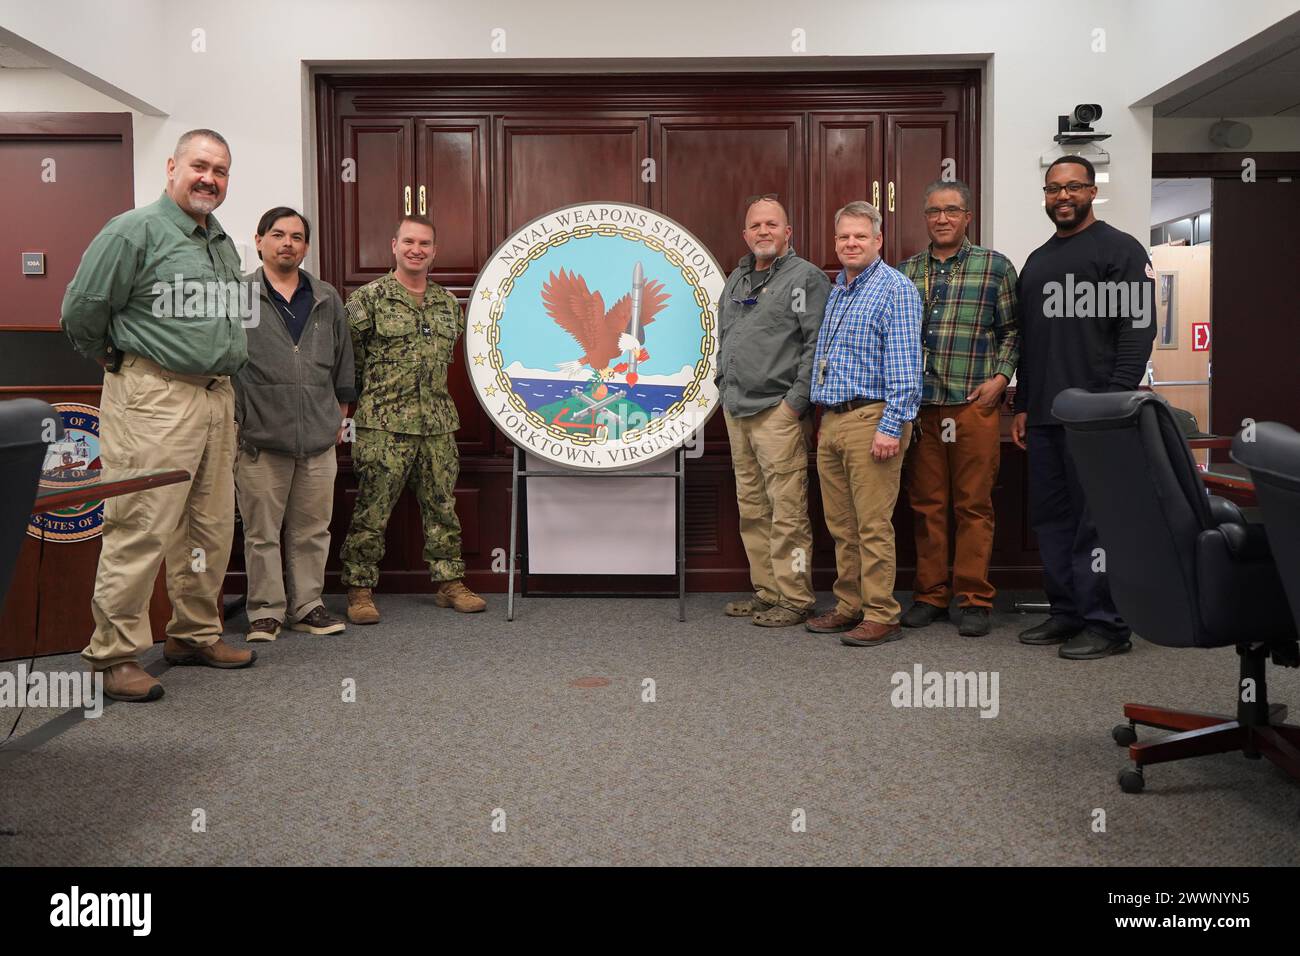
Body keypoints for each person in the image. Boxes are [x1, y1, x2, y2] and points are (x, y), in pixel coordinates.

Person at [61, 128, 255, 702]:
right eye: (200, 166)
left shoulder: (217, 239)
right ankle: (115, 654)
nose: (209, 179)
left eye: (220, 171)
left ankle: (193, 633)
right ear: (172, 166)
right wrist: (120, 360)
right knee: (141, 524)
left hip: (217, 397)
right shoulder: (132, 230)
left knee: (209, 526)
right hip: (155, 397)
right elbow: (81, 312)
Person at [1010, 155, 1156, 660]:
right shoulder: (1037, 261)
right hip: (1047, 417)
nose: (1062, 197)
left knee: (1098, 523)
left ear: (1093, 192)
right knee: (1053, 520)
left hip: (1100, 417)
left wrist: (1114, 402)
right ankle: (1067, 613)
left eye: (1073, 187)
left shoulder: (1120, 250)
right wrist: (1024, 406)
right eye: (1053, 189)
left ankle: (1107, 624)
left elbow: (1137, 332)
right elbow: (1030, 343)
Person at [339, 214, 485, 622]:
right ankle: (360, 588)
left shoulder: (447, 305)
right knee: (371, 510)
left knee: (442, 506)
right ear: (394, 245)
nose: (416, 250)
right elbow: (349, 363)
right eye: (408, 242)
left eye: (424, 244)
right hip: (383, 424)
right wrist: (347, 411)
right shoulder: (367, 300)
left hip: (437, 425)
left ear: (434, 251)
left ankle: (449, 582)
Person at [898, 180, 1019, 637]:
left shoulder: (994, 267)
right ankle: (930, 593)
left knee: (973, 504)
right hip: (922, 406)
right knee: (927, 504)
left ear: (968, 216)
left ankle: (973, 597)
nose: (942, 219)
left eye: (951, 210)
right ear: (924, 218)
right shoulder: (906, 272)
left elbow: (1013, 330)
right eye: (933, 212)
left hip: (973, 405)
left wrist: (1001, 378)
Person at [234, 207, 355, 642]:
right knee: (261, 532)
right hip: (260, 439)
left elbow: (344, 364)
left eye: (298, 237)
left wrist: (340, 417)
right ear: (261, 240)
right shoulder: (238, 296)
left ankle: (307, 605)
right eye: (279, 235)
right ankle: (265, 611)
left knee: (312, 528)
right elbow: (225, 363)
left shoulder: (326, 297)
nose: (288, 243)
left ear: (306, 246)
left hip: (319, 439)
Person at [806, 201, 922, 646]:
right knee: (841, 525)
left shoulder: (896, 289)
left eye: (860, 236)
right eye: (843, 237)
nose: (850, 243)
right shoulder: (839, 289)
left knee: (872, 525)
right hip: (834, 420)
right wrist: (825, 417)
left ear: (878, 241)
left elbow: (907, 368)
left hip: (874, 417)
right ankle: (849, 605)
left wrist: (891, 425)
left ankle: (882, 613)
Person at [716, 195, 830, 627]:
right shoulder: (738, 278)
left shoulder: (805, 280)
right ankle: (767, 591)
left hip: (777, 413)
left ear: (788, 233)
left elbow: (816, 345)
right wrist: (723, 385)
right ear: (746, 235)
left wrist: (793, 405)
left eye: (772, 225)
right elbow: (725, 334)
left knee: (788, 513)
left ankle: (796, 597)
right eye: (756, 226)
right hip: (737, 410)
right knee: (752, 508)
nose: (764, 232)